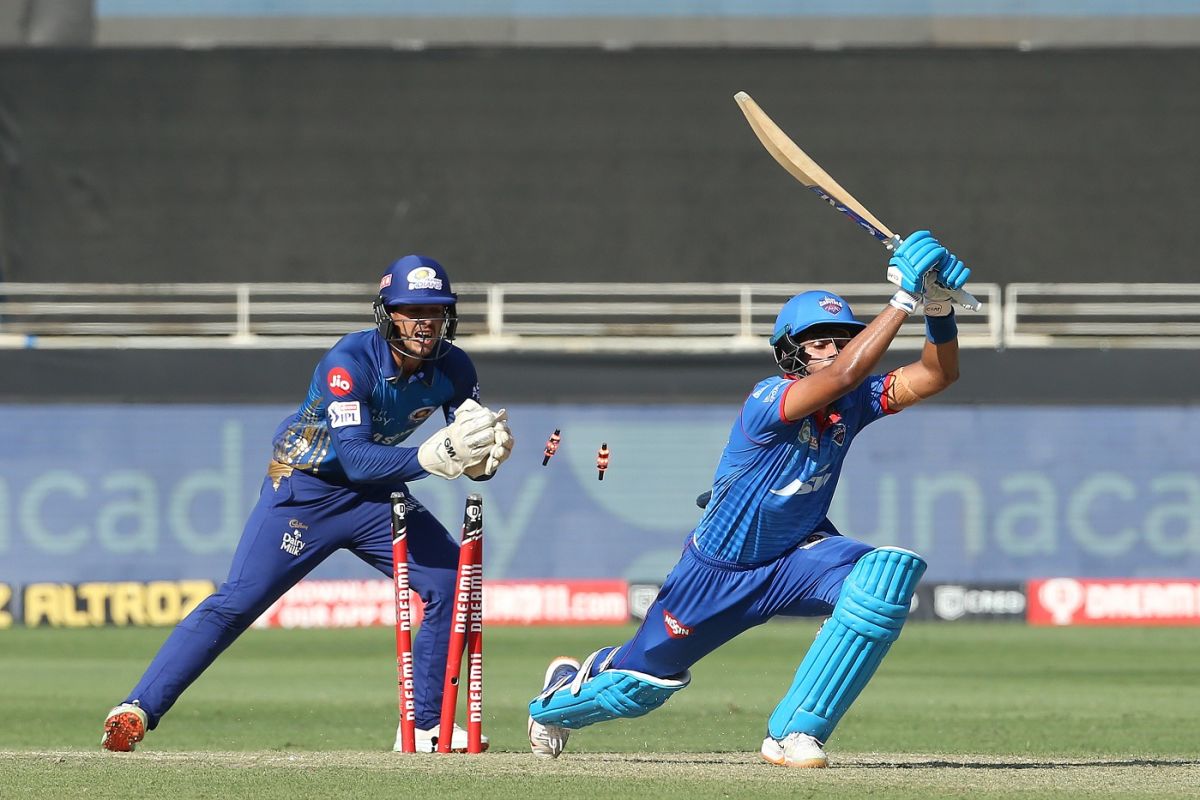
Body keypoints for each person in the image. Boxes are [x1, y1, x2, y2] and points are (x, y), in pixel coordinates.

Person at [527, 230, 970, 767]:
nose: (834, 349)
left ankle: (796, 732)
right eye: (819, 342)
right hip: (717, 572)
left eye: (842, 339)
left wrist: (938, 309)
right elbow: (845, 372)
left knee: (883, 579)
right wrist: (903, 299)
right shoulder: (768, 398)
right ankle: (555, 700)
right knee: (637, 688)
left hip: (797, 557)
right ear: (790, 353)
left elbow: (937, 374)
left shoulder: (853, 401)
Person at [101, 254, 514, 754]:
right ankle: (137, 708)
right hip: (305, 490)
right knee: (238, 601)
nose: (424, 323)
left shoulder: (455, 366)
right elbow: (357, 459)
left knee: (453, 581)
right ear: (387, 314)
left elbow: (465, 452)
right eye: (411, 311)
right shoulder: (349, 362)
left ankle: (426, 726)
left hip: (377, 498)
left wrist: (484, 460)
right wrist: (432, 457)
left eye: (434, 311)